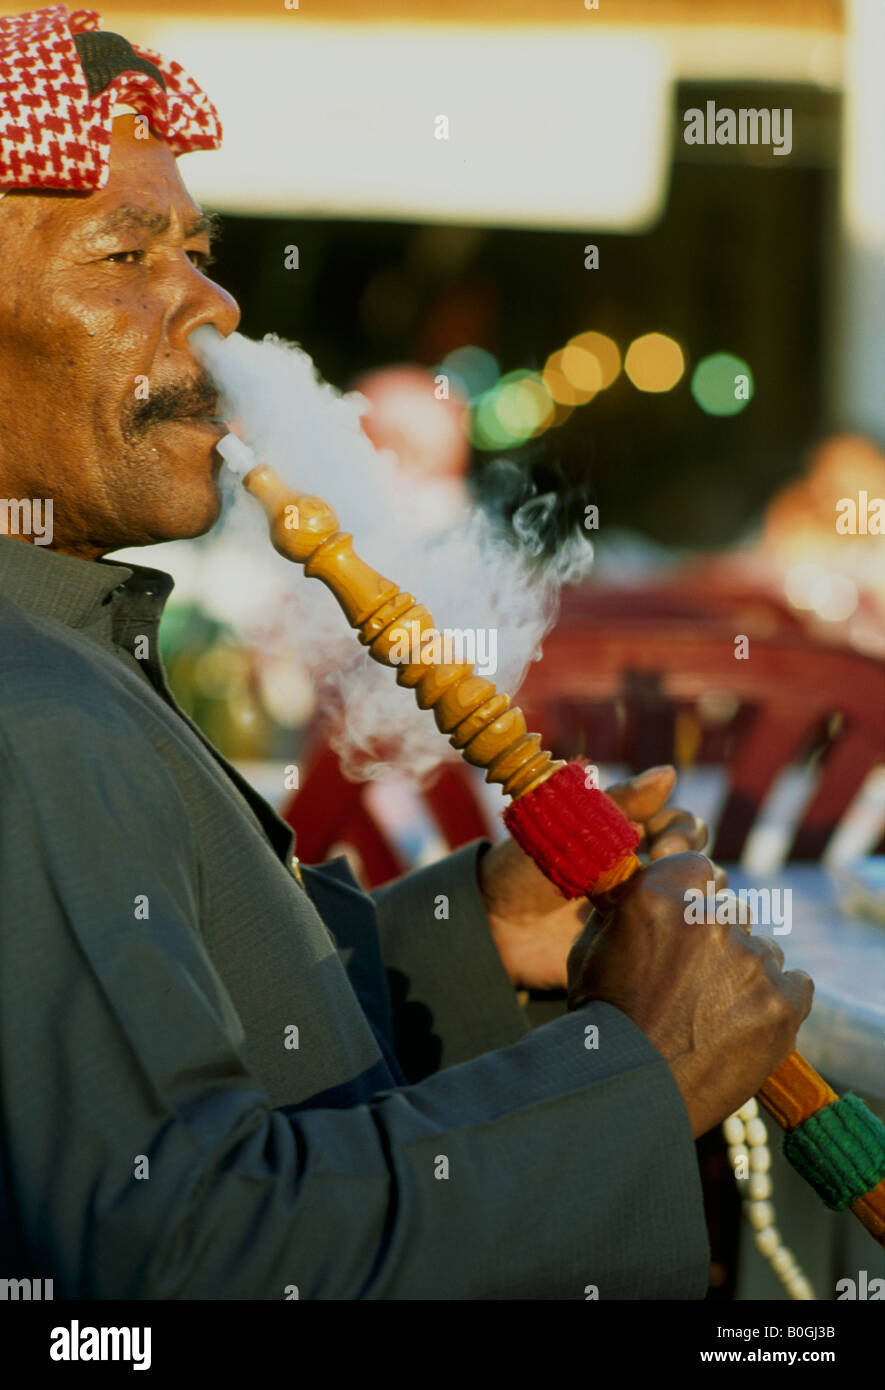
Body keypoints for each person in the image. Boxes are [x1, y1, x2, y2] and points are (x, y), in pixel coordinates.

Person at [0, 5, 812, 1299]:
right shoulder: (29, 716)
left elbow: (226, 1032)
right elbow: (172, 1261)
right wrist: (635, 1078)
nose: (211, 302)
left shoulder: (61, 648)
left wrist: (465, 936)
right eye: (126, 254)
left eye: (198, 252)